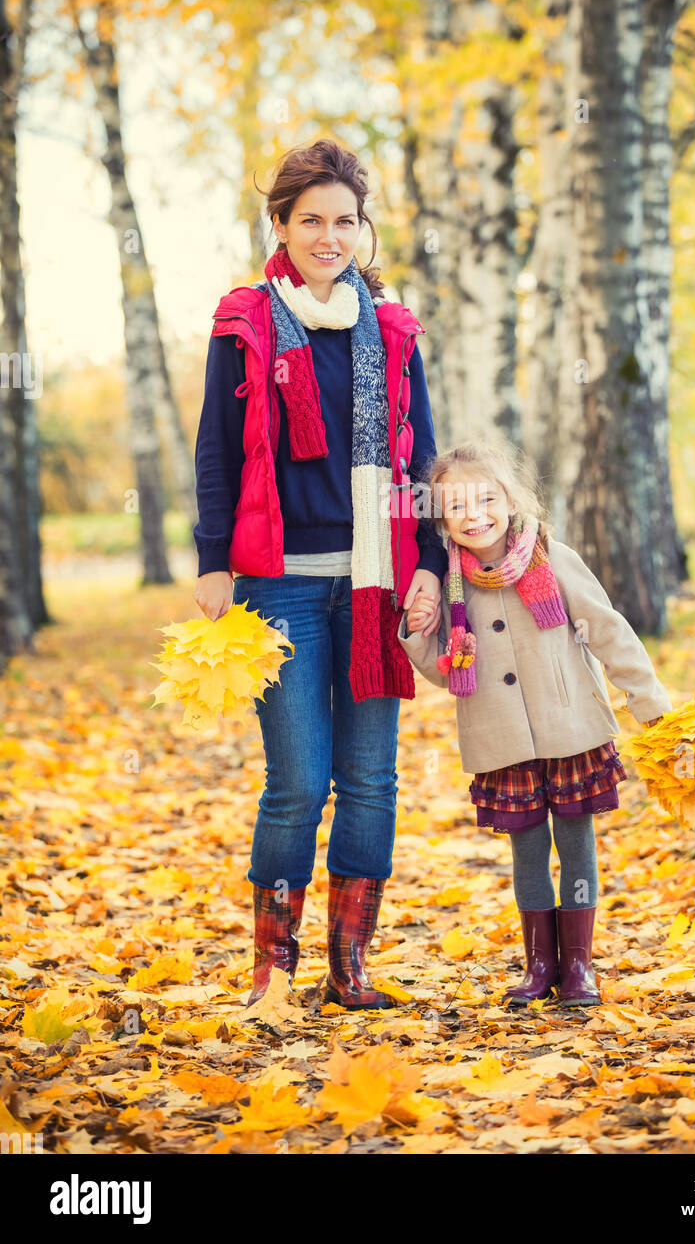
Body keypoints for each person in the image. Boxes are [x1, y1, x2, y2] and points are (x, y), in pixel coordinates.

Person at [192, 139, 447, 1010]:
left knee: (372, 779)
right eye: (312, 221)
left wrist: (435, 565)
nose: (329, 236)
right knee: (298, 781)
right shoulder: (248, 323)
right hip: (281, 585)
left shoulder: (394, 331)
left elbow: (424, 456)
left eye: (345, 221)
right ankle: (273, 972)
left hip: (378, 580)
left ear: (361, 229)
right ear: (281, 226)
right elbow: (217, 452)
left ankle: (350, 967)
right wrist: (212, 562)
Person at [397, 438, 670, 1008]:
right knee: (526, 852)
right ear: (443, 522)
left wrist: (650, 705)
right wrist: (418, 634)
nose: (476, 516)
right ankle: (539, 962)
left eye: (486, 500)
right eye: (458, 508)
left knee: (575, 844)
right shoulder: (449, 585)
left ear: (509, 496)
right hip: (501, 741)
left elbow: (608, 630)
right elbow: (449, 673)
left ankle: (578, 964)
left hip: (570, 728)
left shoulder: (551, 556)